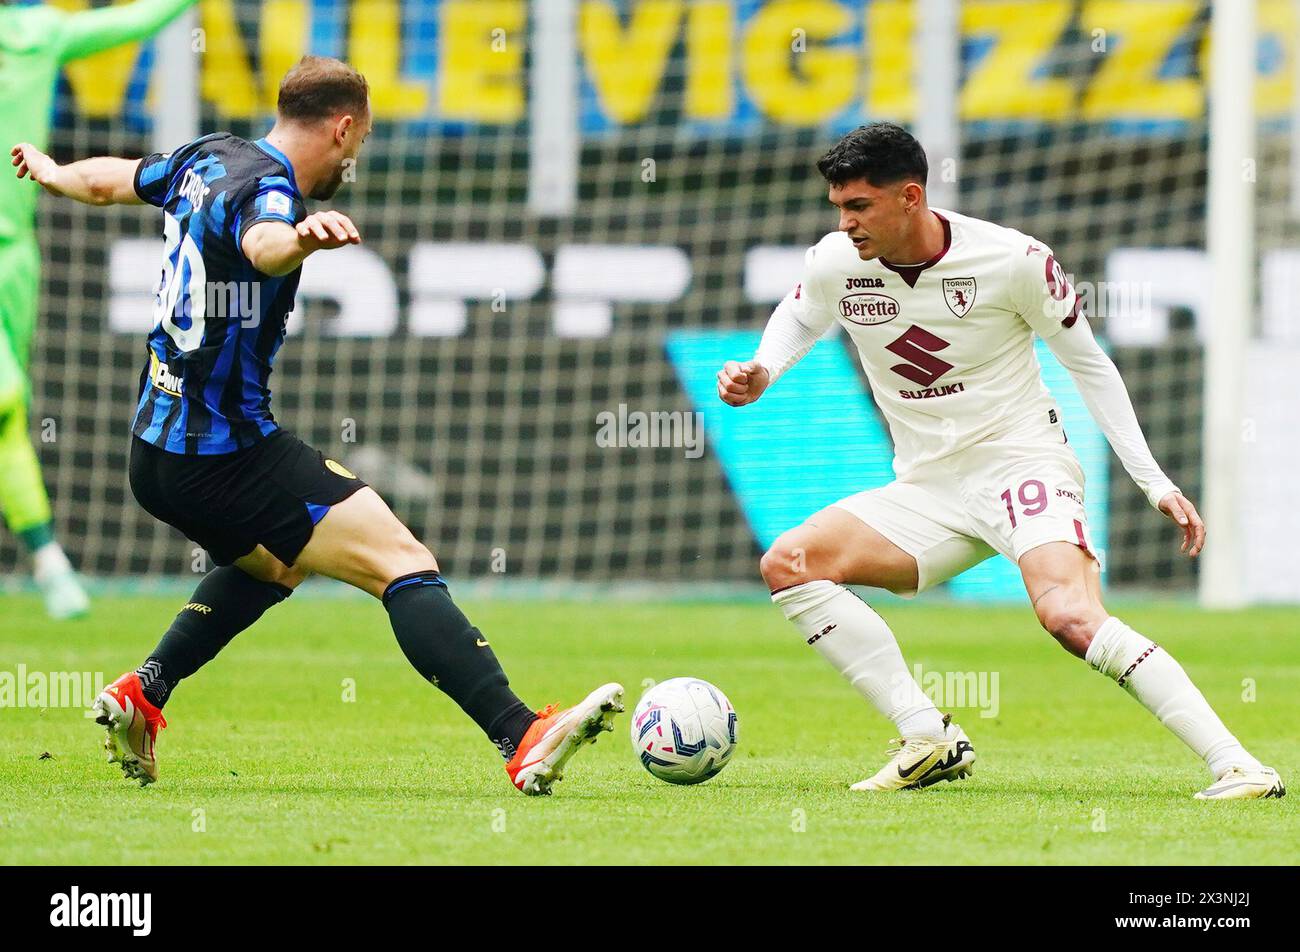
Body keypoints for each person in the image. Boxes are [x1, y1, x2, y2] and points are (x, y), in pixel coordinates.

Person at [11, 54, 622, 795]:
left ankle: (144, 692)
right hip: (225, 453)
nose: (354, 157)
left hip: (152, 453)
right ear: (340, 129)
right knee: (401, 559)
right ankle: (520, 734)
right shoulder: (271, 192)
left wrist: (50, 171)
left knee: (273, 566)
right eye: (358, 142)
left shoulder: (208, 156)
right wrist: (302, 237)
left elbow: (111, 179)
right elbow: (263, 244)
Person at [717, 122, 1282, 801]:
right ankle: (928, 737)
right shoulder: (838, 260)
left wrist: (1152, 480)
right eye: (838, 208)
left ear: (909, 196)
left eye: (859, 207)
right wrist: (763, 370)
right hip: (928, 486)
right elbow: (804, 313)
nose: (846, 223)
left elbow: (1089, 366)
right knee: (791, 563)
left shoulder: (1014, 261)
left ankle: (1239, 765)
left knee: (1068, 616)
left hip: (1022, 465)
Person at [1, 0, 201, 618]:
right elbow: (130, 23)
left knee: (8, 418)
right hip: (15, 257)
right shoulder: (39, 34)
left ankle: (47, 560)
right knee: (4, 399)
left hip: (13, 259)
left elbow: (130, 24)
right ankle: (51, 562)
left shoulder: (35, 32)